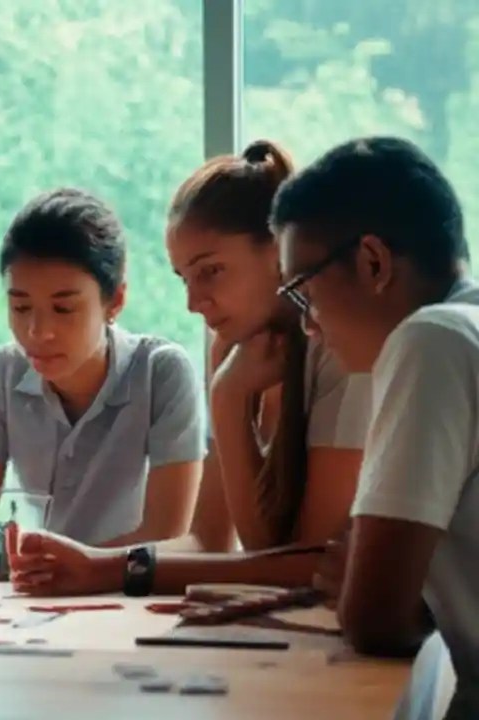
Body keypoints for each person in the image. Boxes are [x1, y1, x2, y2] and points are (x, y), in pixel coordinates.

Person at [2, 141, 371, 598]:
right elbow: (212, 540)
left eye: (211, 271)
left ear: (280, 251)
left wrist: (228, 399)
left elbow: (305, 559)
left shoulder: (341, 353)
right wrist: (97, 564)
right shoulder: (232, 354)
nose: (194, 303)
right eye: (184, 278)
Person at [280, 136, 477, 719]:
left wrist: (379, 592)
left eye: (302, 291)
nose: (307, 326)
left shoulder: (432, 340)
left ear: (373, 262)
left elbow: (374, 617)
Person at [0, 188, 204, 573]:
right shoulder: (5, 371)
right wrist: (22, 554)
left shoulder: (162, 373)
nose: (38, 331)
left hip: (129, 599)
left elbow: (167, 538)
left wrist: (83, 567)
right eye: (20, 307)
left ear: (115, 301)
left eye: (63, 308)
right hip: (40, 594)